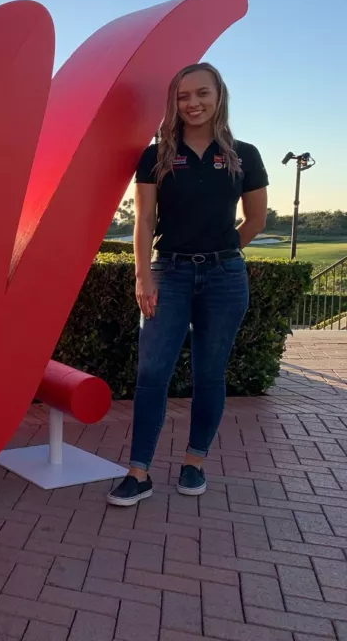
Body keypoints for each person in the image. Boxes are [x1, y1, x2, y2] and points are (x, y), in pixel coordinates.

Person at [107, 62, 268, 507]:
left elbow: (256, 219)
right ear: (173, 103)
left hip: (224, 278)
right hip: (169, 274)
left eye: (202, 94)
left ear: (219, 97)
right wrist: (142, 275)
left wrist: (219, 249)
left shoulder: (244, 155)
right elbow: (144, 223)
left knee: (209, 373)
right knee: (152, 373)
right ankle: (138, 472)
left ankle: (194, 462)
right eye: (183, 97)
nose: (193, 103)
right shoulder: (156, 155)